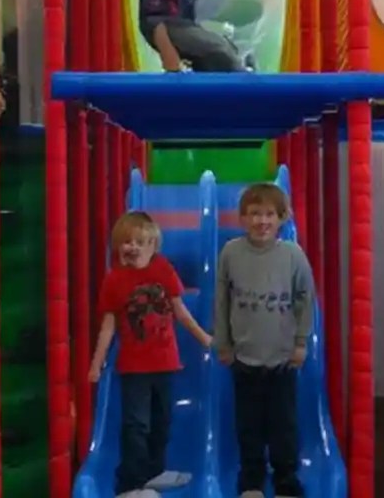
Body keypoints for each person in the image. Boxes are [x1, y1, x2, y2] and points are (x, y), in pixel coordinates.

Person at [90, 211, 213, 498]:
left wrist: (204, 338)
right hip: (134, 367)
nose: (132, 247)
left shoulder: (163, 270)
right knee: (136, 425)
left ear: (153, 246)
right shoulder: (114, 281)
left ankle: (154, 472)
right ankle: (130, 485)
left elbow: (181, 313)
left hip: (165, 362)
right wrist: (96, 364)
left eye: (139, 242)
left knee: (162, 419)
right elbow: (108, 327)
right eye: (126, 242)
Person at [214, 184, 315, 498]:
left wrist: (300, 341)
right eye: (255, 214)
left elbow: (305, 298)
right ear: (242, 218)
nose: (262, 221)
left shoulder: (292, 255)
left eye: (269, 214)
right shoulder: (231, 252)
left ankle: (286, 479)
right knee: (249, 427)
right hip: (244, 359)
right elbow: (221, 301)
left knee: (283, 426)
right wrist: (223, 343)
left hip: (282, 359)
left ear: (281, 218)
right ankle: (252, 481)